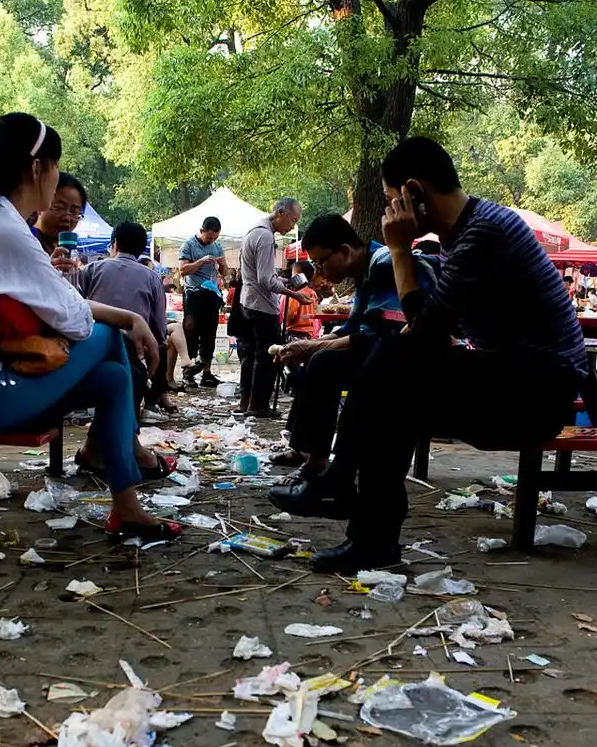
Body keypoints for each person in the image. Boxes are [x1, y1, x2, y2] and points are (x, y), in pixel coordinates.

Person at [309, 136, 586, 574]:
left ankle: (347, 497)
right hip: (521, 376)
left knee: (393, 364)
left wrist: (399, 248)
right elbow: (433, 332)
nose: (388, 213)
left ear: (415, 191)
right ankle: (358, 516)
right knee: (388, 374)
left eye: (390, 200)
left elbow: (425, 333)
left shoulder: (483, 233)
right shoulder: (468, 232)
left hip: (539, 390)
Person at [0, 111, 181, 543]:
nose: (57, 181)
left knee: (113, 378)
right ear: (38, 167)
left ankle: (125, 502)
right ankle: (123, 452)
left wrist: (128, 317)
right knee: (109, 338)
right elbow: (75, 319)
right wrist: (127, 322)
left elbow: (65, 305)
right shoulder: (6, 229)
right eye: (56, 168)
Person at [268, 215, 438, 501]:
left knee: (324, 362)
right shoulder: (365, 270)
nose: (319, 271)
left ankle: (324, 465)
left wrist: (312, 348)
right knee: (319, 360)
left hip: (412, 356)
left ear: (346, 251)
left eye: (321, 262)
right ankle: (316, 458)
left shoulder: (383, 264)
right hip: (386, 348)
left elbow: (383, 334)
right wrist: (310, 345)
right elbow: (353, 329)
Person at [80, 222, 178, 434]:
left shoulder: (91, 270)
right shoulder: (152, 278)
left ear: (114, 244)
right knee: (146, 362)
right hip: (132, 353)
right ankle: (143, 412)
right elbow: (159, 329)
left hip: (91, 351)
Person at [238, 197, 311, 417]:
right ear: (280, 212)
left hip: (248, 301)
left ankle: (246, 400)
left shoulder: (255, 231)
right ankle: (258, 404)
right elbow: (265, 280)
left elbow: (264, 275)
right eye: (293, 219)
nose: (292, 226)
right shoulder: (265, 236)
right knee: (267, 355)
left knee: (251, 353)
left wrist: (285, 282)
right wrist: (293, 293)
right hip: (261, 304)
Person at [178, 216, 228, 387]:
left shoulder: (217, 246)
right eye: (209, 237)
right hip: (193, 293)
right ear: (201, 231)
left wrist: (222, 263)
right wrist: (201, 261)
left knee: (210, 332)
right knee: (190, 328)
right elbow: (182, 270)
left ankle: (206, 372)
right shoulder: (189, 245)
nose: (212, 240)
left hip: (211, 294)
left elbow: (225, 272)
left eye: (215, 238)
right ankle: (188, 370)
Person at [32, 171, 88, 283]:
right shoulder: (26, 241)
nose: (67, 218)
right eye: (59, 208)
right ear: (40, 205)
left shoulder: (68, 252)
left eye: (74, 212)